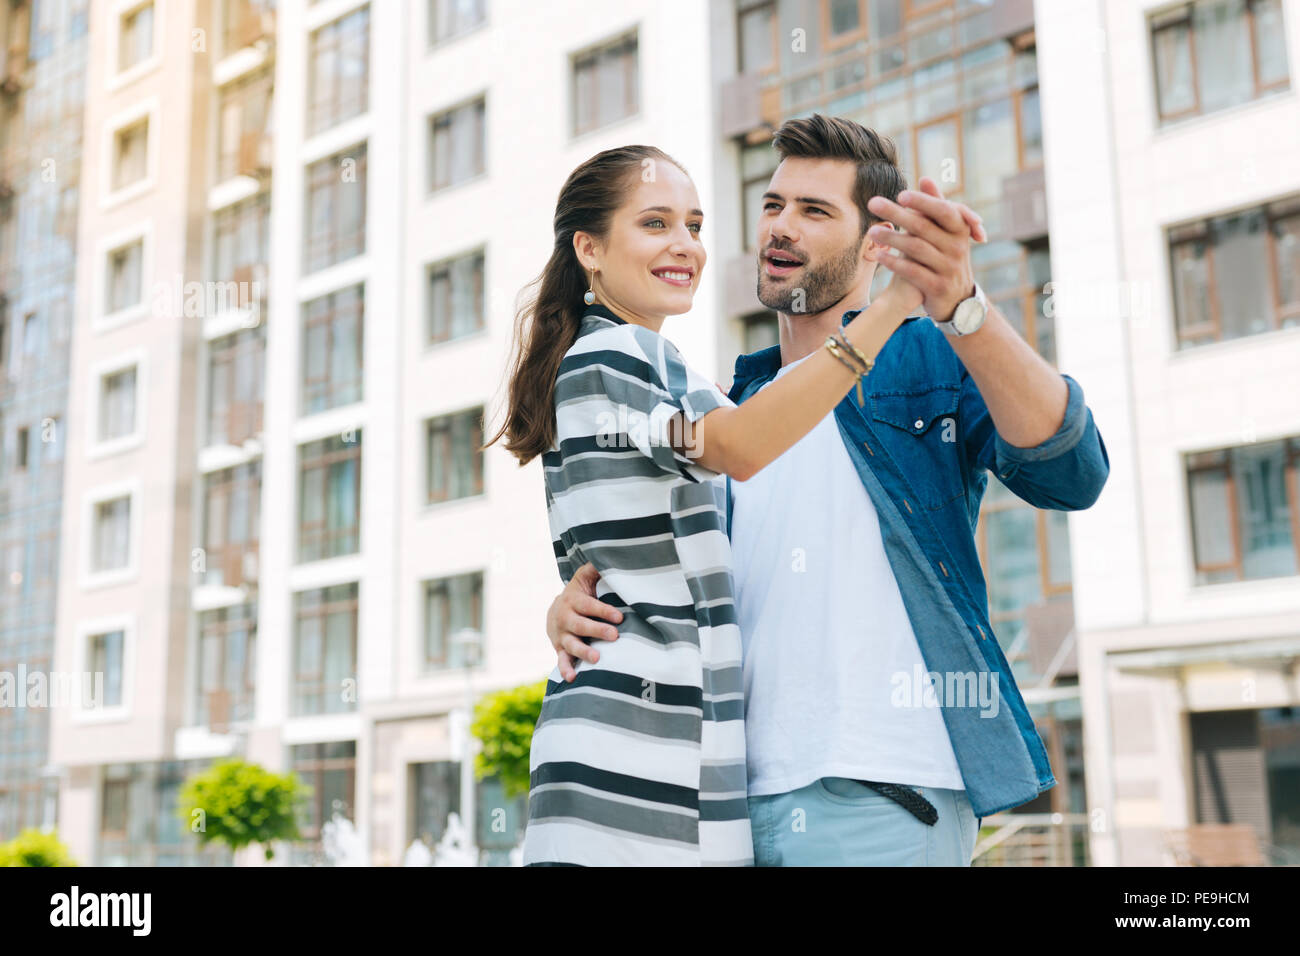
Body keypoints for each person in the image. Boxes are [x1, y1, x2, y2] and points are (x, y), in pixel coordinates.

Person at [543, 115, 1111, 866]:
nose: (780, 227)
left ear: (876, 244)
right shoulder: (731, 396)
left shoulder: (925, 361)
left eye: (814, 211)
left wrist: (961, 305)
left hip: (881, 790)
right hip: (722, 806)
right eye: (773, 205)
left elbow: (1072, 473)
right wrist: (577, 598)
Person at [486, 142, 936, 866]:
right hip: (636, 746)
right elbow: (743, 446)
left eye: (694, 225)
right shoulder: (619, 356)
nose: (685, 246)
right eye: (656, 224)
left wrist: (561, 604)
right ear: (590, 248)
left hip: (661, 741)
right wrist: (892, 308)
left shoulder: (645, 365)